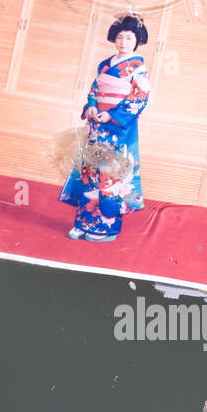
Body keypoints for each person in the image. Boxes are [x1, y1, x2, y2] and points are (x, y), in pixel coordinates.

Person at [58, 13, 151, 241]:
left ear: (137, 41)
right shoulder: (104, 64)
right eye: (120, 37)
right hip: (96, 125)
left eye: (129, 38)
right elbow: (94, 91)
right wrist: (90, 107)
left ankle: (106, 227)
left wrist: (111, 115)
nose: (123, 42)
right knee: (89, 172)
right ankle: (83, 222)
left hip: (118, 128)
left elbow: (140, 96)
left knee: (111, 176)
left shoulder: (138, 69)